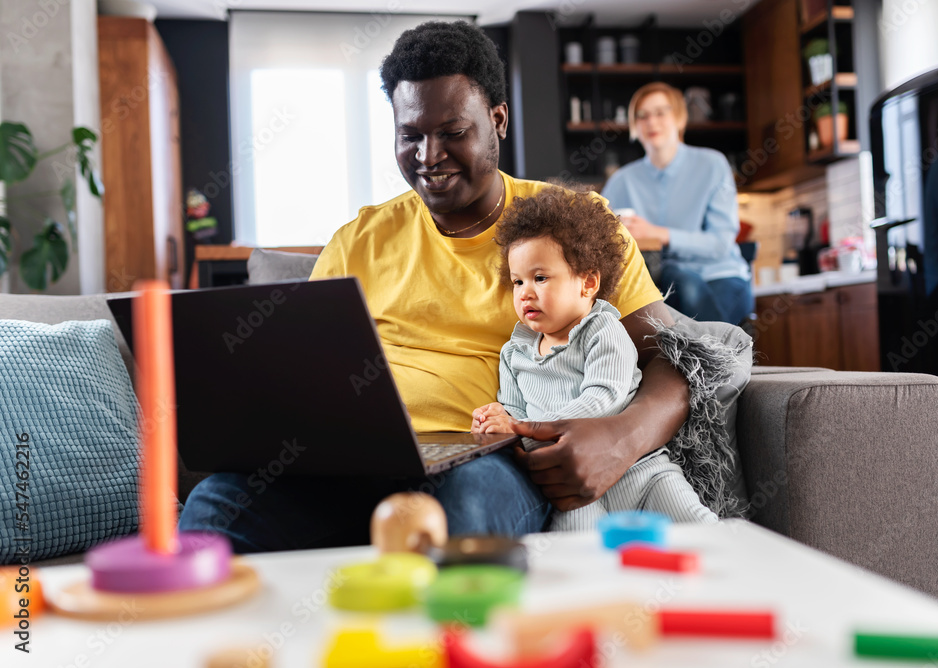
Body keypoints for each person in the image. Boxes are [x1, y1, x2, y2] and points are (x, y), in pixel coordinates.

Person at [178, 21, 692, 553]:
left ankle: (438, 636)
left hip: (488, 460)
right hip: (347, 465)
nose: (428, 155)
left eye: (452, 132)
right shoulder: (357, 240)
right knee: (216, 505)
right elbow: (299, 379)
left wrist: (623, 438)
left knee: (464, 510)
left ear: (497, 119)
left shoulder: (573, 224)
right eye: (411, 135)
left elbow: (676, 356)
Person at [471, 188, 717, 529]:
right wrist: (497, 423)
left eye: (540, 278)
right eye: (517, 281)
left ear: (587, 283)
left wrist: (526, 429)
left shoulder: (603, 329)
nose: (525, 292)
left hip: (642, 473)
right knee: (578, 554)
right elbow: (514, 413)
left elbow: (604, 398)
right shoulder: (514, 353)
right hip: (568, 487)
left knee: (700, 528)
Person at [601, 82, 753, 326]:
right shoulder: (621, 181)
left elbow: (720, 244)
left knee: (682, 285)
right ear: (634, 125)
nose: (651, 122)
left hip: (719, 277)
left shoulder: (712, 165)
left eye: (661, 112)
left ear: (680, 118)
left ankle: (712, 355)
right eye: (642, 115)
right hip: (656, 283)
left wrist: (657, 234)